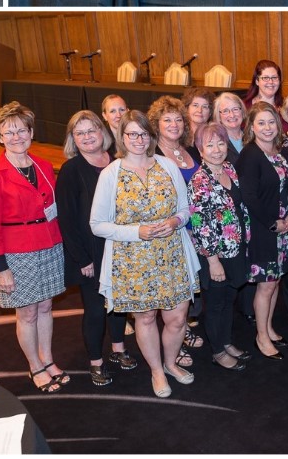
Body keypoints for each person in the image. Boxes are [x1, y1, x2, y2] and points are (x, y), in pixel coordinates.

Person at [91, 110, 199, 398]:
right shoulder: (111, 173)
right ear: (122, 137)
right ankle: (157, 370)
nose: (139, 140)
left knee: (178, 317)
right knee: (147, 317)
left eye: (144, 134)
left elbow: (185, 209)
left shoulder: (167, 165)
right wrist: (136, 232)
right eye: (132, 134)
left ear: (151, 137)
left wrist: (175, 221)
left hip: (172, 254)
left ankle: (171, 363)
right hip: (133, 259)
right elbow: (97, 224)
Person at [0, 102, 69, 393]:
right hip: (16, 253)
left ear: (31, 132)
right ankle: (35, 365)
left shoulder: (43, 165)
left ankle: (48, 359)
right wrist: (0, 267)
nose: (16, 137)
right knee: (27, 313)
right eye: (9, 132)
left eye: (22, 130)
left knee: (46, 306)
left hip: (50, 245)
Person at [56, 110, 132, 387]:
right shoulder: (71, 170)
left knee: (119, 304)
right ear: (73, 139)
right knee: (96, 309)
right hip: (90, 252)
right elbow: (66, 219)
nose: (87, 137)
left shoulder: (119, 161)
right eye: (80, 133)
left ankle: (118, 349)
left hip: (121, 247)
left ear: (103, 132)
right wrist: (82, 259)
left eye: (92, 130)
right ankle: (96, 362)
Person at [187, 121, 251, 371]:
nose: (216, 149)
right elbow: (200, 224)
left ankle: (226, 342)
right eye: (210, 145)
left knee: (229, 300)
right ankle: (217, 351)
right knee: (215, 305)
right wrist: (213, 261)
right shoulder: (199, 181)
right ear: (200, 150)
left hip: (236, 249)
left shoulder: (229, 169)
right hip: (215, 256)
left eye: (220, 143)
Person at [235, 102, 288, 359]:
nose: (267, 127)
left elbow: (284, 190)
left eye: (271, 122)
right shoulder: (250, 154)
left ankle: (268, 328)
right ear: (251, 127)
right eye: (261, 123)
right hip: (263, 230)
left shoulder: (277, 152)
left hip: (281, 228)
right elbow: (249, 197)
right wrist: (273, 222)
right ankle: (261, 336)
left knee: (275, 280)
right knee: (266, 286)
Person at [150, 96, 199, 184]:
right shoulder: (151, 155)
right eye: (167, 120)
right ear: (156, 124)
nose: (174, 125)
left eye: (178, 120)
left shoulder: (193, 150)